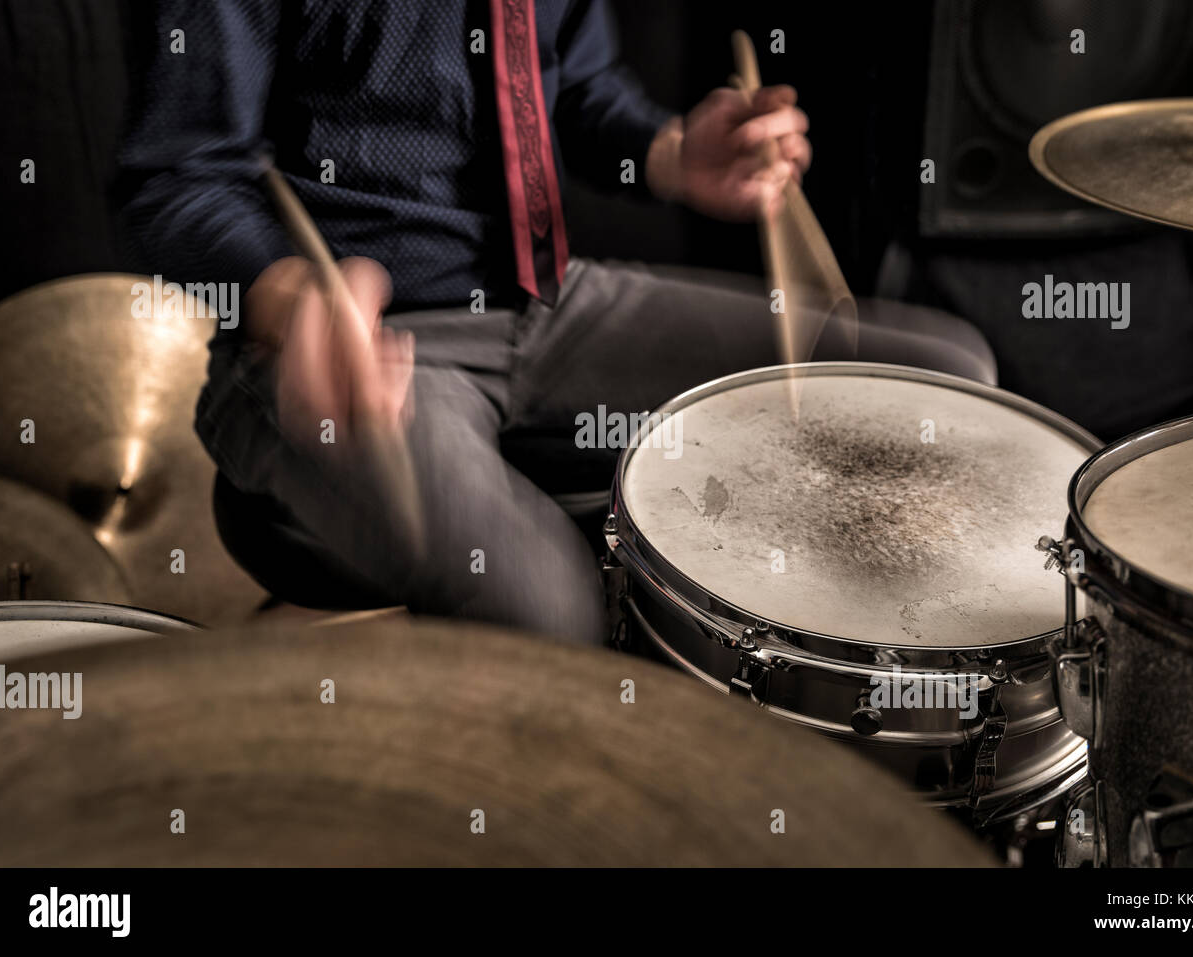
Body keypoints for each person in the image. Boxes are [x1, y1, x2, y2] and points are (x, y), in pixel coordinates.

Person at [120, 0, 996, 645]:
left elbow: (571, 86)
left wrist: (672, 153)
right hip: (339, 354)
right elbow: (178, 179)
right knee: (553, 609)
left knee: (949, 382)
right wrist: (287, 294)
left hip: (548, 302)